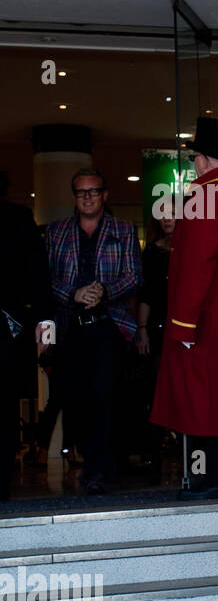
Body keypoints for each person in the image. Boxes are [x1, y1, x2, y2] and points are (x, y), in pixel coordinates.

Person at [151, 117, 218, 500]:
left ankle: (211, 478)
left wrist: (182, 325)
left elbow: (197, 267)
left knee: (202, 401)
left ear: (202, 160)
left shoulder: (204, 198)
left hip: (207, 315)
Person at [45, 168, 141, 494]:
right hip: (69, 328)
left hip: (108, 326)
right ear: (75, 197)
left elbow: (134, 275)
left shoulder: (124, 230)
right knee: (74, 399)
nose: (87, 197)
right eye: (81, 192)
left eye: (93, 191)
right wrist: (72, 293)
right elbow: (45, 279)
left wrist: (105, 291)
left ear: (105, 195)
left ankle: (98, 469)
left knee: (105, 397)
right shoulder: (57, 232)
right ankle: (92, 459)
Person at [0, 171, 52, 500]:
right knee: (4, 402)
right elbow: (38, 272)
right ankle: (2, 477)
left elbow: (37, 271)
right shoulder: (18, 218)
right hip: (9, 323)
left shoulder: (17, 219)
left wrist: (44, 322)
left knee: (4, 401)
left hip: (8, 323)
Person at [135, 211, 175, 483]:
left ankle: (195, 457)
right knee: (156, 393)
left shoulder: (192, 247)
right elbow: (146, 294)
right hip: (160, 327)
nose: (166, 219)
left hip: (188, 327)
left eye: (172, 213)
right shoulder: (152, 253)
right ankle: (153, 458)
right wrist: (142, 330)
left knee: (187, 392)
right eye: (162, 215)